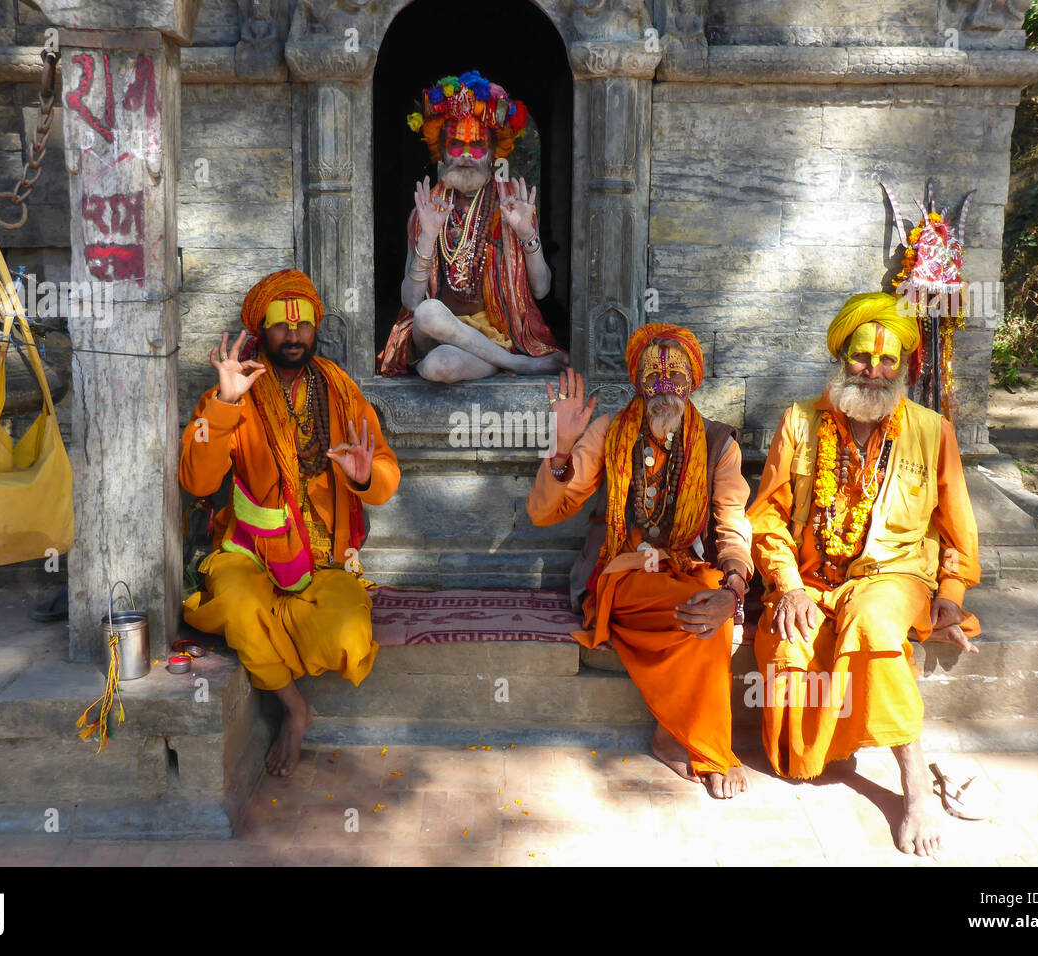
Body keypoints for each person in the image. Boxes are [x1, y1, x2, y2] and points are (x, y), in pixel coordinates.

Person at [747, 291, 981, 855]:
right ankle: (833, 742)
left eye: (886, 361)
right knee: (796, 753)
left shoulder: (931, 429)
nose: (872, 372)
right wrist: (790, 585)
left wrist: (950, 592)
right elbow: (767, 516)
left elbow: (958, 527)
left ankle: (915, 784)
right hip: (812, 578)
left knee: (872, 622)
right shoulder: (801, 422)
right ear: (841, 357)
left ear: (903, 367)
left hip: (895, 574)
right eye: (860, 357)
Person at [180, 269, 400, 776]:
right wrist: (226, 404)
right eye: (281, 326)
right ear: (262, 330)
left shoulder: (340, 390)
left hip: (324, 561)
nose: (294, 336)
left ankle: (268, 643)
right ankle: (294, 707)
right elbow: (195, 479)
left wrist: (365, 478)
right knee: (237, 603)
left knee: (347, 632)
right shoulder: (235, 393)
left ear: (315, 328)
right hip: (250, 554)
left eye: (302, 327)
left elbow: (387, 474)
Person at [527, 324, 753, 799]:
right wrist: (563, 450)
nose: (664, 390)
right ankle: (708, 747)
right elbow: (544, 512)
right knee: (699, 609)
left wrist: (733, 587)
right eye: (654, 379)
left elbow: (732, 524)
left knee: (711, 608)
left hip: (688, 571)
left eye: (675, 380)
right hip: (622, 572)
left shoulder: (718, 444)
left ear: (693, 384)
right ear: (638, 384)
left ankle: (670, 734)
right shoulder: (612, 431)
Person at [378, 70, 567, 381]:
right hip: (434, 331)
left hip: (494, 337)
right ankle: (519, 365)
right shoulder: (427, 208)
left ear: (492, 154)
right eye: (456, 143)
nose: (466, 154)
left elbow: (542, 289)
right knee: (426, 311)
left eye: (477, 145)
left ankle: (498, 358)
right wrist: (426, 237)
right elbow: (411, 302)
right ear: (441, 150)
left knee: (441, 367)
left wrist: (527, 234)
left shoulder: (510, 205)